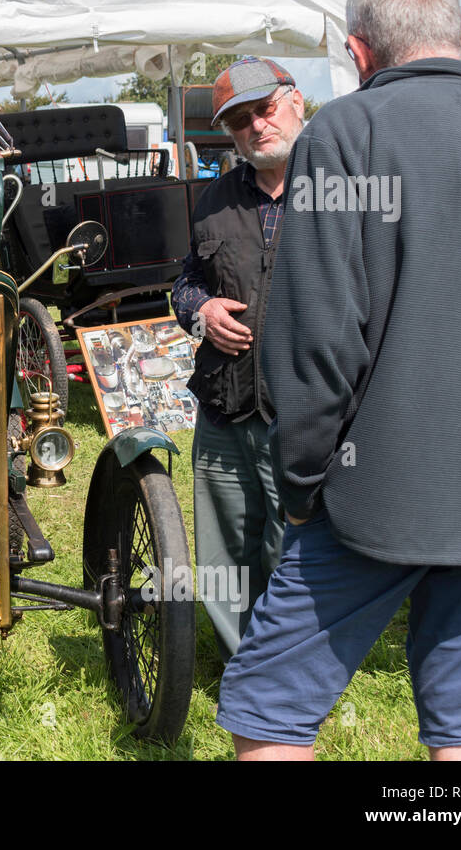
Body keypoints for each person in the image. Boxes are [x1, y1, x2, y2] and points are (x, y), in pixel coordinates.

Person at [218, 0, 461, 760]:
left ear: (358, 53)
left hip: (371, 494)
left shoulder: (344, 133)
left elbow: (316, 335)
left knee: (267, 708)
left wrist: (300, 483)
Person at [170, 57, 305, 660]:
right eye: (238, 121)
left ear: (295, 101)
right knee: (224, 551)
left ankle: (290, 670)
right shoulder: (215, 198)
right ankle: (240, 665)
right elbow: (186, 282)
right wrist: (203, 313)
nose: (255, 127)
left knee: (293, 548)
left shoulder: (341, 188)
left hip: (299, 411)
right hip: (225, 405)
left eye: (264, 109)